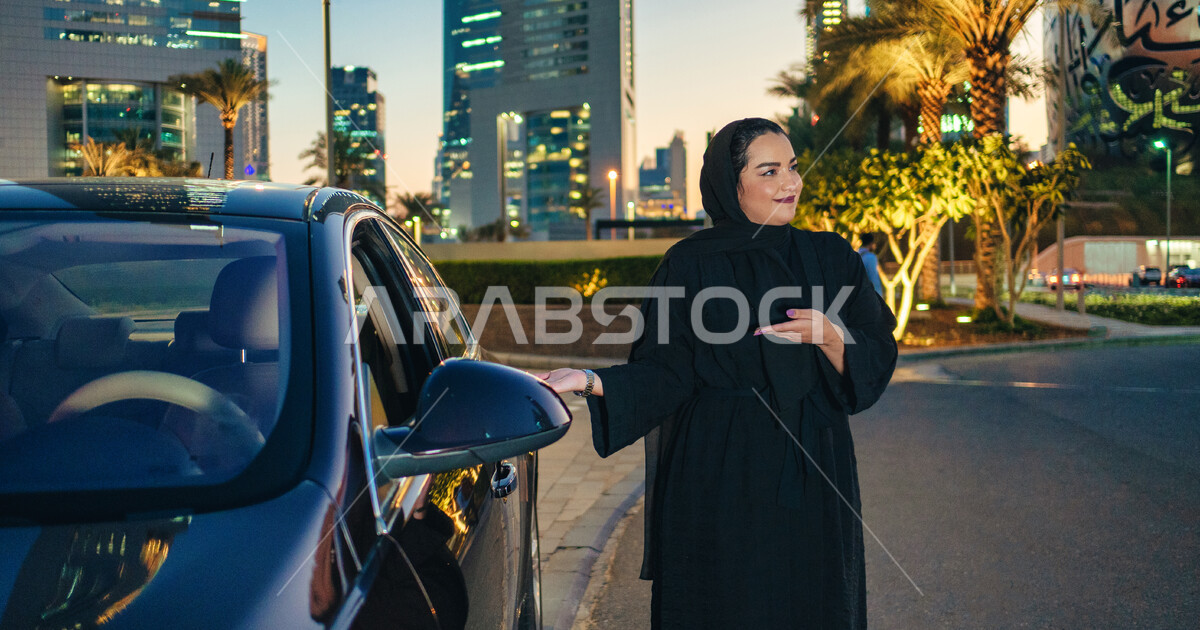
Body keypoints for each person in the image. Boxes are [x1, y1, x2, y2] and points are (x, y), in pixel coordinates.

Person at [536, 118, 897, 629]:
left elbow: (879, 348)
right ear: (733, 185)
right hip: (721, 470)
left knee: (813, 601)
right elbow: (667, 373)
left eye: (792, 168)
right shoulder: (690, 266)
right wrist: (593, 382)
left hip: (817, 466)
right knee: (726, 603)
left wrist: (832, 337)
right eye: (770, 171)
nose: (790, 183)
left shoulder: (830, 257)